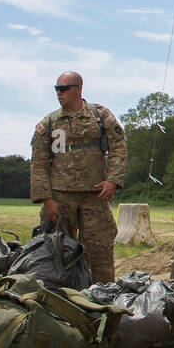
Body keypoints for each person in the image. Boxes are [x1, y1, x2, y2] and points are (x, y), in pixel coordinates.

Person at [30, 71, 126, 284]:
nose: (58, 93)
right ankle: (59, 300)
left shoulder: (100, 116)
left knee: (100, 252)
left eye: (63, 89)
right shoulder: (50, 123)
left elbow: (119, 147)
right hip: (60, 199)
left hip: (95, 196)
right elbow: (38, 161)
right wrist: (46, 199)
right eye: (56, 89)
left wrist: (113, 180)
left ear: (78, 89)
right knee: (56, 252)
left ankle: (104, 299)